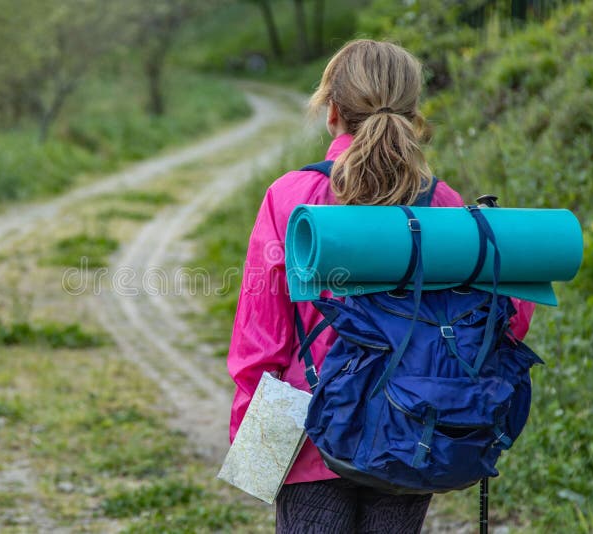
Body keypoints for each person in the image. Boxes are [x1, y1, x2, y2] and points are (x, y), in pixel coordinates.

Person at [226, 39, 536, 533]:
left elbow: (260, 341)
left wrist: (256, 447)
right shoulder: (444, 205)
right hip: (414, 427)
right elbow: (504, 319)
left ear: (332, 112)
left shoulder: (292, 198)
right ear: (414, 116)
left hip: (310, 428)